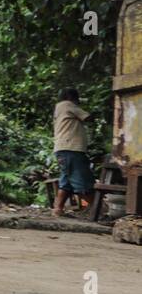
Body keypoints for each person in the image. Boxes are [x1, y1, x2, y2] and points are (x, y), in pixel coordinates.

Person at [52, 88, 93, 216]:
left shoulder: (59, 108)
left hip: (63, 149)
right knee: (81, 181)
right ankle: (99, 209)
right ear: (70, 97)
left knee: (66, 182)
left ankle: (58, 209)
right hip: (72, 148)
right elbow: (88, 117)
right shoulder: (67, 105)